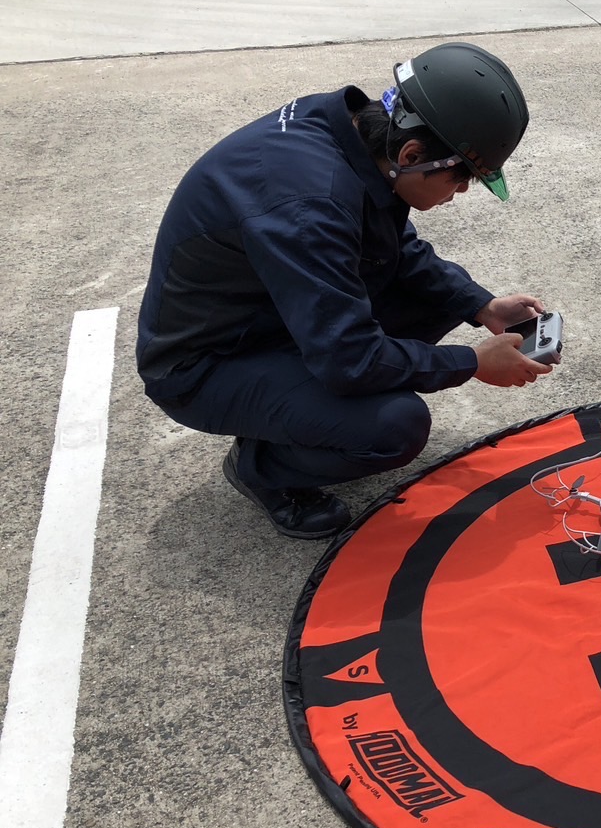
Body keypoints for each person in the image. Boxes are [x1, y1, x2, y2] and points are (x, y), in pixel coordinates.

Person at [137, 42, 553, 540]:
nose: (461, 191)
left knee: (433, 295)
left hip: (268, 314)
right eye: (461, 176)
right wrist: (473, 363)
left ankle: (299, 409)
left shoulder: (349, 132)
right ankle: (261, 467)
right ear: (412, 153)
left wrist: (480, 304)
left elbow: (390, 244)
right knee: (393, 426)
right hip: (203, 365)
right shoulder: (308, 204)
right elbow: (350, 360)